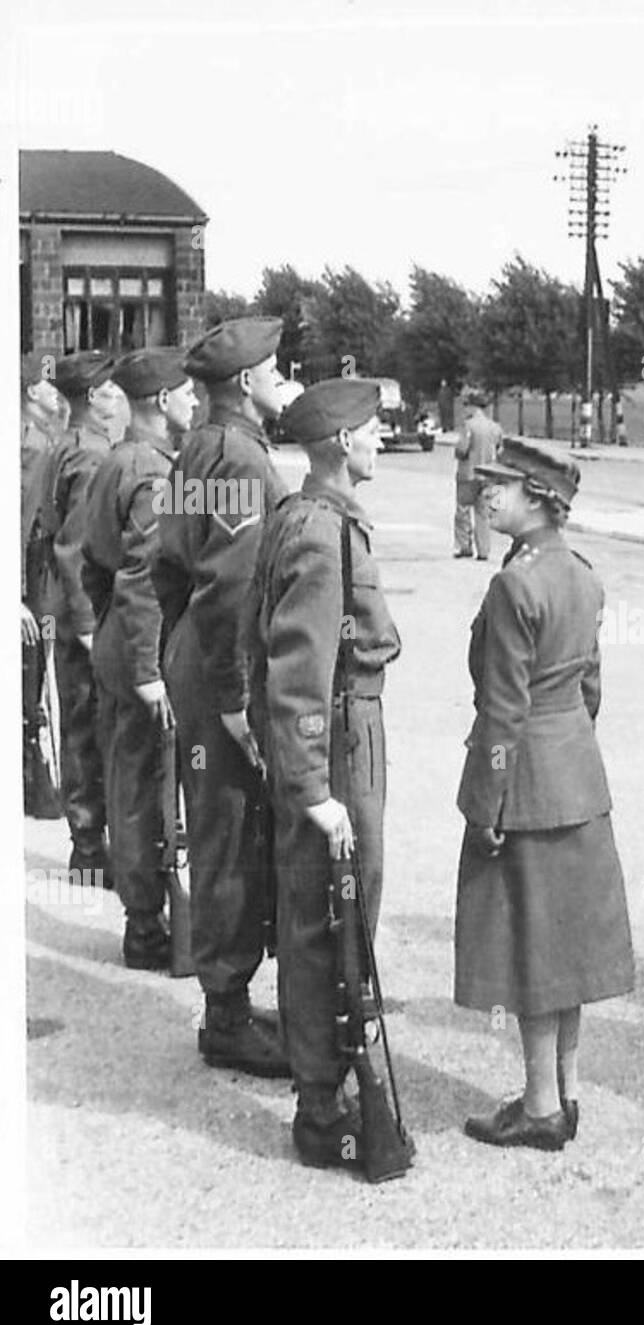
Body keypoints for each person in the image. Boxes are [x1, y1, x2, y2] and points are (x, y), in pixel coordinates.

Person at [455, 437, 635, 1151]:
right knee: (566, 943)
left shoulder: (514, 585)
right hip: (576, 777)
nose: (485, 494)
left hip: (526, 783)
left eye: (500, 485)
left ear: (538, 499)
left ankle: (538, 1108)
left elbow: (503, 709)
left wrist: (487, 801)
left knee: (531, 946)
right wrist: (566, 751)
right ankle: (567, 1090)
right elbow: (590, 687)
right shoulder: (581, 575)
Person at [243, 378, 404, 1171]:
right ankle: (320, 1107)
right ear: (342, 443)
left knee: (333, 914)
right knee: (324, 920)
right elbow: (297, 672)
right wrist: (312, 790)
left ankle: (327, 1086)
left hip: (341, 732)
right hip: (338, 740)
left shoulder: (309, 517)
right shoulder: (319, 533)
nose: (381, 439)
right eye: (372, 429)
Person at [152, 316, 293, 1075]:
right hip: (221, 669)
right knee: (229, 835)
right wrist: (234, 697)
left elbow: (168, 566)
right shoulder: (236, 455)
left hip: (197, 657)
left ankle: (227, 1000)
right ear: (244, 381)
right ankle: (227, 1016)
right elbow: (231, 587)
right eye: (272, 370)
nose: (280, 380)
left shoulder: (201, 446)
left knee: (221, 829)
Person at [81, 348, 198, 969]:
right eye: (186, 392)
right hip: (143, 654)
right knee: (144, 792)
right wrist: (149, 671)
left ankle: (145, 921)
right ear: (160, 400)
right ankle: (147, 927)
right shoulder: (155, 475)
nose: (194, 400)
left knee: (130, 782)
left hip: (118, 641)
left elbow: (91, 564)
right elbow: (143, 581)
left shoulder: (118, 459)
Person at [45, 350, 125, 881]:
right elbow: (73, 548)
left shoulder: (65, 446)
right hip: (85, 614)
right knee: (88, 728)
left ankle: (89, 845)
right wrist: (91, 627)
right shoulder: (92, 457)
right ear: (93, 398)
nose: (117, 399)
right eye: (111, 391)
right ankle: (91, 850)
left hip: (68, 610)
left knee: (82, 725)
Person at [20, 351, 64, 819]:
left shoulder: (40, 437)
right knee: (31, 679)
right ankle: (34, 782)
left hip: (37, 569)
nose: (57, 393)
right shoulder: (31, 444)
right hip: (31, 572)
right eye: (50, 384)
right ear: (33, 391)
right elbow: (18, 517)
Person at [453, 392, 502, 560]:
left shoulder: (469, 426)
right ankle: (484, 550)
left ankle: (464, 546)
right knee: (483, 513)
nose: (465, 409)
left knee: (463, 511)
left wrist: (458, 453)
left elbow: (462, 450)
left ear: (472, 407)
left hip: (469, 474)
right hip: (489, 476)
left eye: (466, 406)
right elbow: (500, 450)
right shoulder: (495, 427)